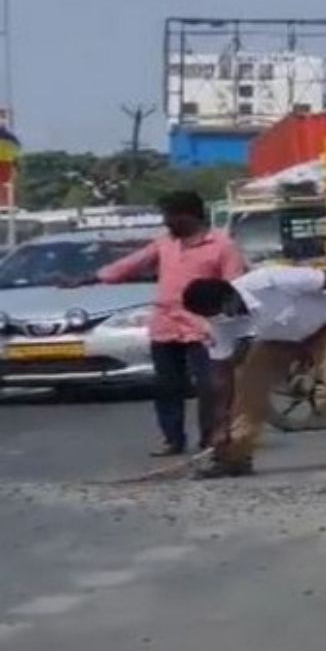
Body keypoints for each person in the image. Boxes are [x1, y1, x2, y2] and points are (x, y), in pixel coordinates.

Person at [76, 191, 245, 456]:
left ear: (188, 215)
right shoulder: (165, 244)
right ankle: (172, 439)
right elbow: (130, 265)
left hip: (204, 329)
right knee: (167, 387)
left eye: (170, 216)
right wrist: (91, 277)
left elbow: (234, 287)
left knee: (210, 387)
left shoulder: (222, 245)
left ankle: (212, 439)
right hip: (166, 326)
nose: (166, 222)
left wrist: (229, 324)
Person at [182, 266, 326, 479]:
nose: (220, 319)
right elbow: (221, 373)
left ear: (230, 295)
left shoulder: (270, 281)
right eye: (212, 316)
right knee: (249, 386)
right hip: (279, 339)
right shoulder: (219, 321)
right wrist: (220, 424)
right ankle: (234, 459)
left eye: (219, 312)